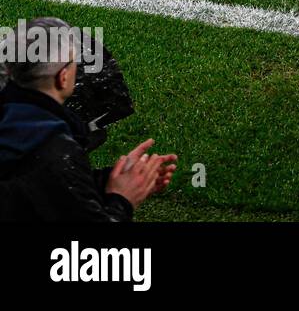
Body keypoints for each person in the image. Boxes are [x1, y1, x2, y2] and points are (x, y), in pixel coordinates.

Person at [0, 18, 177, 221]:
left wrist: (108, 180)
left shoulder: (14, 121)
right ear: (63, 77)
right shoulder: (53, 147)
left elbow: (31, 186)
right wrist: (123, 198)